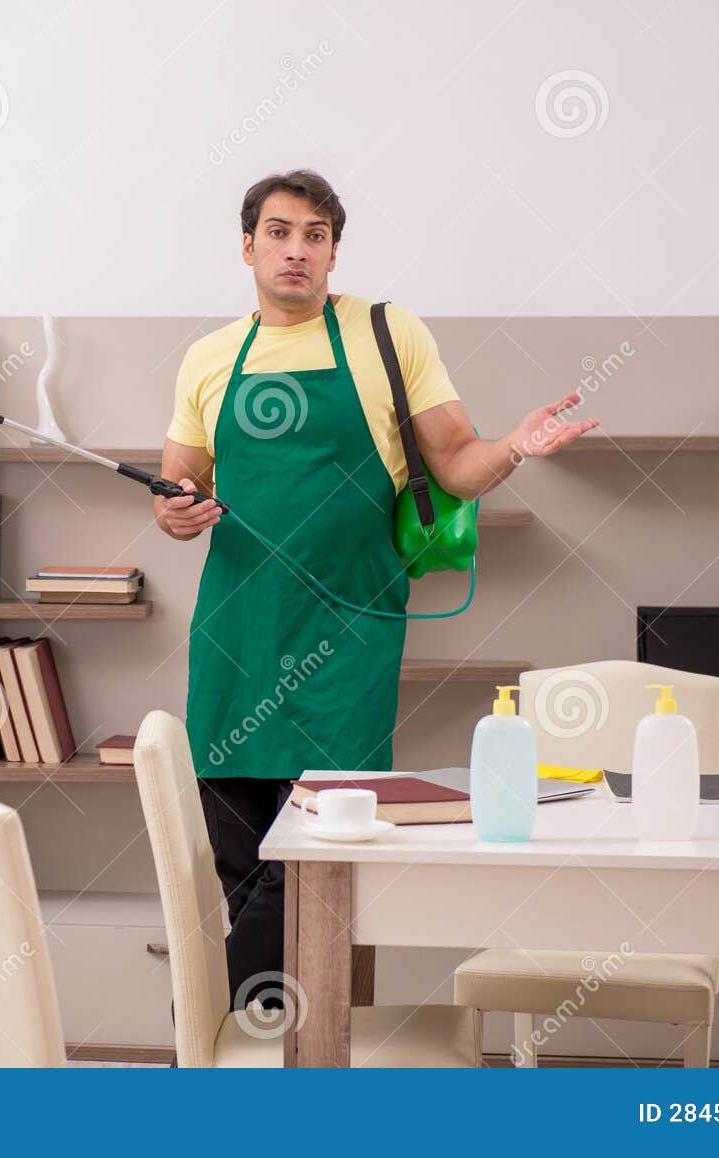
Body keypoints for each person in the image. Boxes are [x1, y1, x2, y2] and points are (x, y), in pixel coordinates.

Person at [155, 169, 598, 1009]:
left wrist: (514, 447)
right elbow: (177, 482)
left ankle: (220, 1048)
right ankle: (278, 1067)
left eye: (315, 235)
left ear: (332, 251)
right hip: (236, 630)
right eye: (280, 232)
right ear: (247, 246)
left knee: (320, 856)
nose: (297, 249)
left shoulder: (387, 334)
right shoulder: (211, 358)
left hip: (347, 633)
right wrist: (173, 512)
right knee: (243, 865)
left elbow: (457, 462)